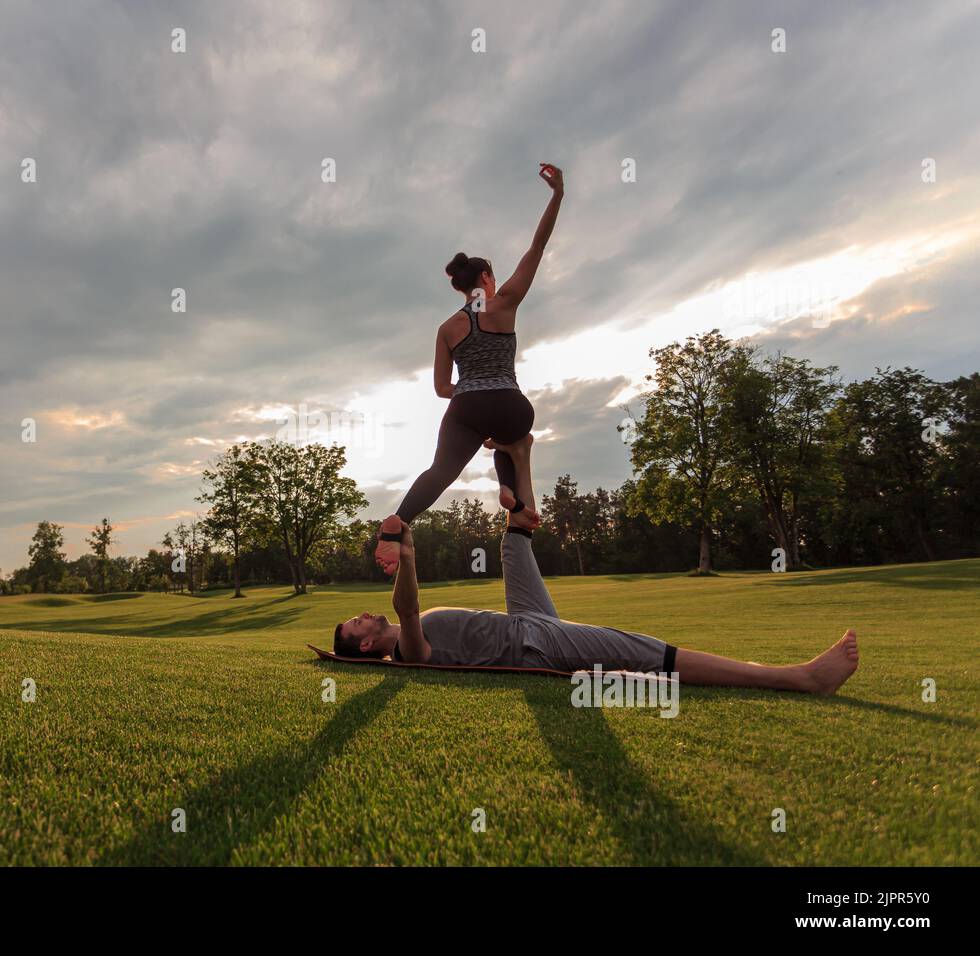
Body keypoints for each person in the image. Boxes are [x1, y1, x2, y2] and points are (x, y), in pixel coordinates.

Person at [336, 519, 860, 695]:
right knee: (646, 652)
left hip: (527, 619)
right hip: (533, 643)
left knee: (515, 540)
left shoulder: (407, 641)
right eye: (358, 622)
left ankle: (520, 456)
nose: (366, 616)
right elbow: (407, 608)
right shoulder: (406, 652)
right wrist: (407, 557)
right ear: (364, 643)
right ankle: (800, 679)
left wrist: (517, 454)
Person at [374, 162, 566, 576]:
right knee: (517, 439)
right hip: (511, 404)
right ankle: (511, 493)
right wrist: (557, 195)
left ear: (462, 287)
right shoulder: (504, 303)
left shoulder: (448, 328)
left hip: (466, 406)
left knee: (441, 470)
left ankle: (399, 520)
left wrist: (469, 391)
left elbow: (442, 388)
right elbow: (537, 248)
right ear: (486, 277)